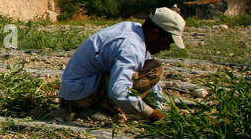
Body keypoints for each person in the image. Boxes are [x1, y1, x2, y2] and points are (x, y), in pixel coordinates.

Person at [57, 7, 187, 122]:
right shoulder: (130, 47)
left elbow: (152, 80)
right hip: (77, 95)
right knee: (147, 74)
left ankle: (105, 107)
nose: (166, 48)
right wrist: (150, 113)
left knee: (153, 69)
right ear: (154, 34)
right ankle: (95, 109)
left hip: (76, 89)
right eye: (168, 42)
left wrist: (158, 107)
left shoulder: (135, 30)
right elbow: (118, 92)